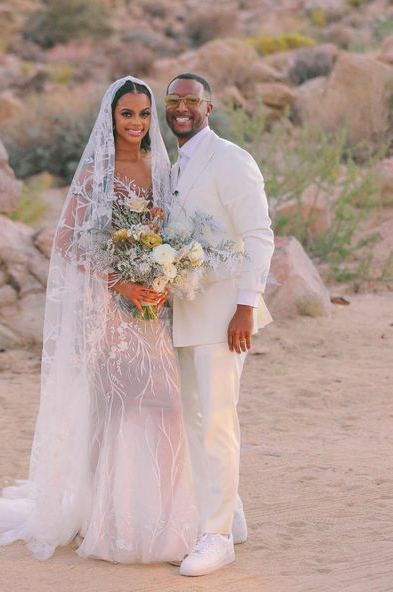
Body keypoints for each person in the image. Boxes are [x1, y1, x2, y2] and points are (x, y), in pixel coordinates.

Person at [0, 76, 198, 564]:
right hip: (109, 312)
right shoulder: (98, 175)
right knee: (112, 413)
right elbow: (67, 242)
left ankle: (165, 520)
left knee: (165, 407)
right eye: (126, 114)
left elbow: (170, 231)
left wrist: (165, 274)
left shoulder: (161, 168)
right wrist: (121, 282)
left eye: (143, 114)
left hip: (151, 311)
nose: (135, 123)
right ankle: (103, 522)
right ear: (110, 118)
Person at [165, 73, 275, 576]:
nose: (182, 108)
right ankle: (230, 515)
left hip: (226, 315)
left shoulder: (231, 159)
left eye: (192, 100)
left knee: (218, 424)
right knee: (193, 423)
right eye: (174, 100)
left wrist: (247, 305)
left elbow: (259, 235)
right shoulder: (172, 168)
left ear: (209, 107)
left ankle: (217, 538)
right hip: (185, 313)